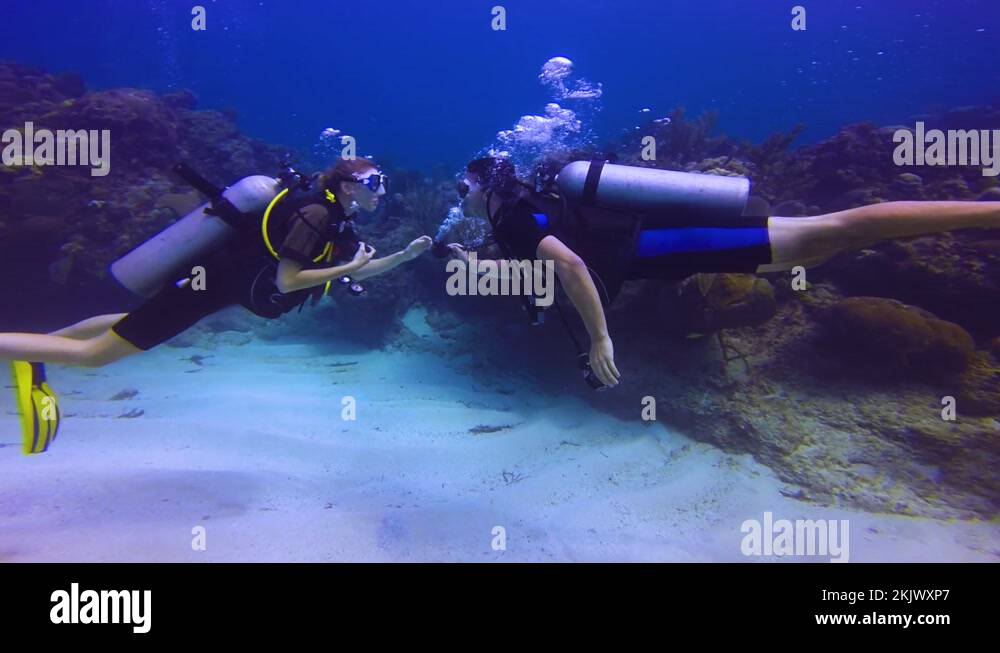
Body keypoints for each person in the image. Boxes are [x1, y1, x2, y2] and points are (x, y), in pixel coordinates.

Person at [450, 156, 1000, 390]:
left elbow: (569, 264)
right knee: (825, 244)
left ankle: (988, 211)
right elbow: (546, 266)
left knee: (834, 229)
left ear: (480, 185)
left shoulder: (516, 217)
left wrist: (600, 338)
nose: (460, 199)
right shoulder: (526, 207)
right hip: (678, 246)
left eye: (461, 189)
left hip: (680, 245)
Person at [2, 157, 433, 453]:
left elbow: (356, 270)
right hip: (206, 287)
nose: (382, 191)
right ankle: (30, 351)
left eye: (383, 183)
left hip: (219, 288)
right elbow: (289, 279)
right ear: (346, 185)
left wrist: (403, 257)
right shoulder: (317, 215)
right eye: (374, 183)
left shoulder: (338, 220)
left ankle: (37, 348)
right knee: (94, 357)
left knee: (129, 324)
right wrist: (345, 269)